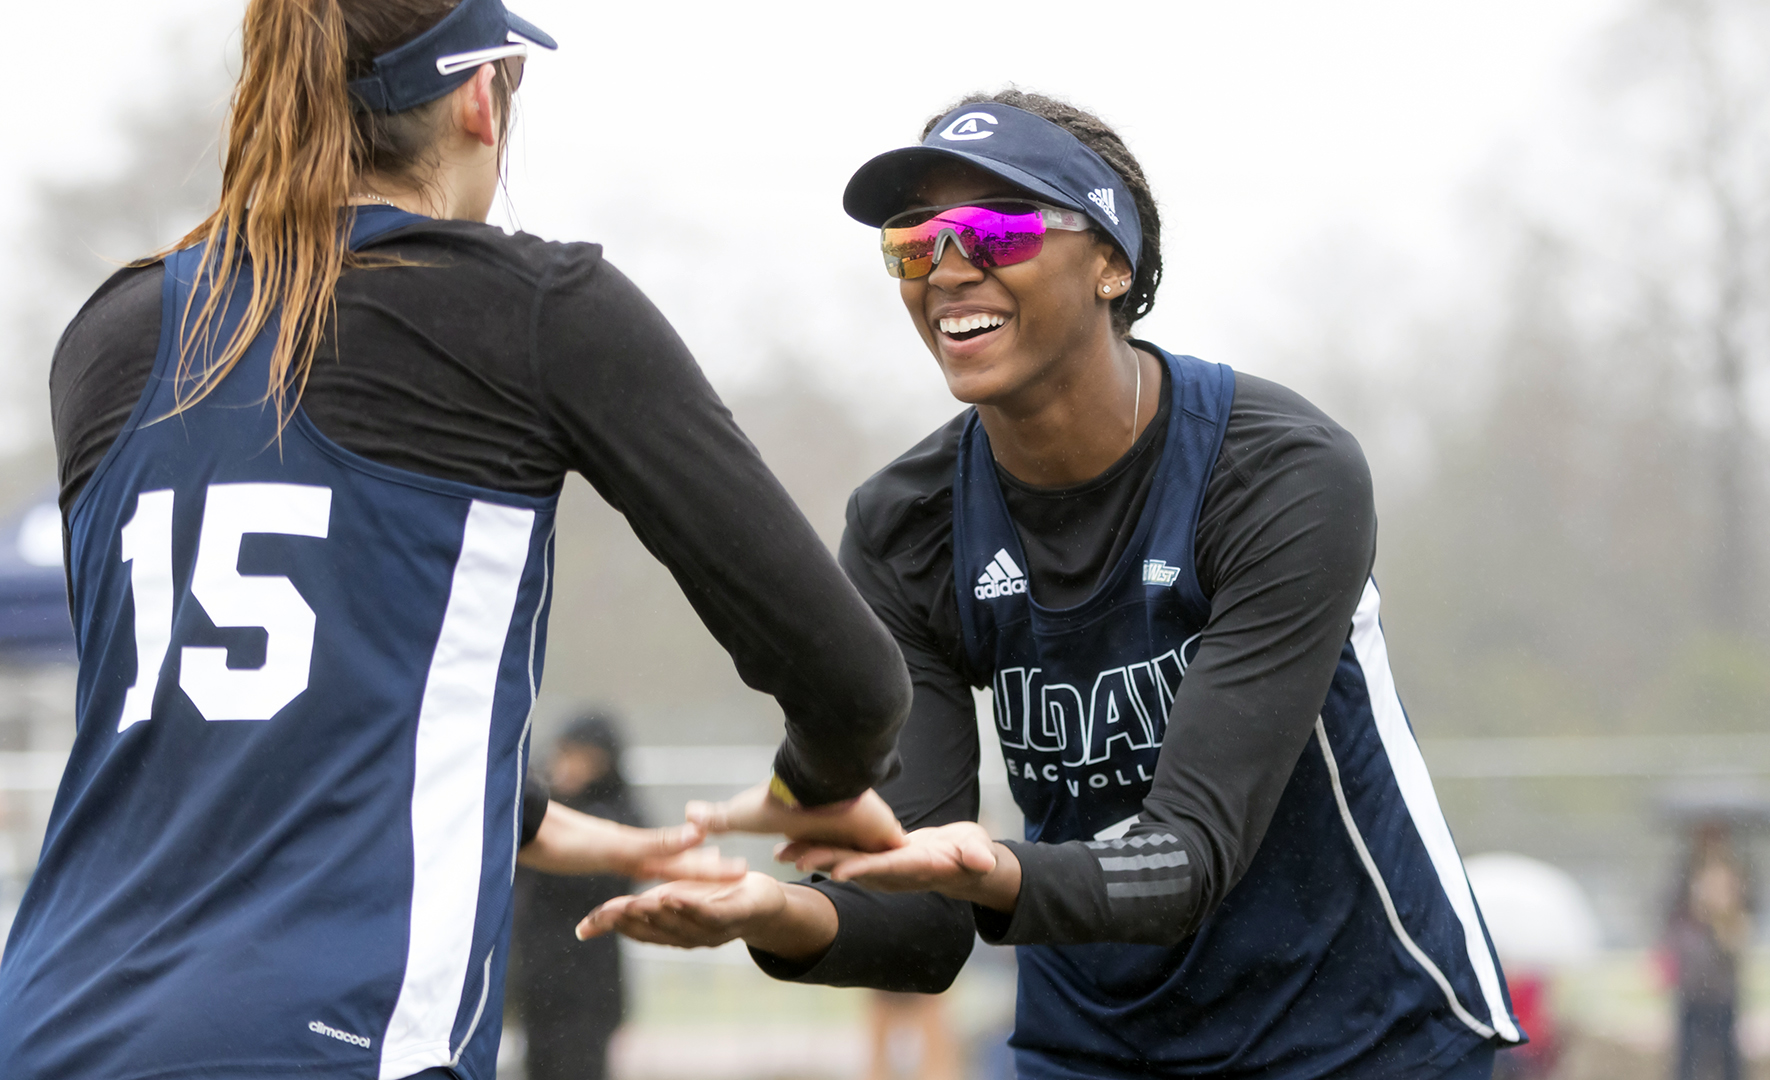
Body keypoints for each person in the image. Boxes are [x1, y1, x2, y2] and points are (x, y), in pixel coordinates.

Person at [0, 0, 912, 1077]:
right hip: (333, 1040)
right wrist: (813, 787)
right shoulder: (538, 312)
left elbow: (238, 690)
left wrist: (523, 814)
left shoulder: (112, 330)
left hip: (46, 1022)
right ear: (482, 95)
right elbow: (852, 681)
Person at [583, 91, 1526, 1079]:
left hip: (1358, 1032)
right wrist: (777, 910)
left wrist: (987, 866)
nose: (948, 269)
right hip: (1095, 1046)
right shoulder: (907, 528)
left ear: (1112, 263)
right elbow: (922, 928)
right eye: (914, 244)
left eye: (995, 229)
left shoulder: (1279, 474)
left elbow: (1185, 858)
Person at [510, 714, 644, 1080]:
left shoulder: (618, 813)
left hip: (590, 977)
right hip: (539, 972)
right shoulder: (539, 810)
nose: (568, 765)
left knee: (581, 1065)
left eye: (580, 756)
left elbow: (614, 879)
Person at [1665, 820, 1751, 1080]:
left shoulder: (1736, 873)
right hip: (1693, 984)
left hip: (1722, 987)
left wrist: (1725, 915)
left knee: (1726, 1053)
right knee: (1688, 1055)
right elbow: (1671, 918)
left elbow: (1738, 933)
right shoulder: (1684, 875)